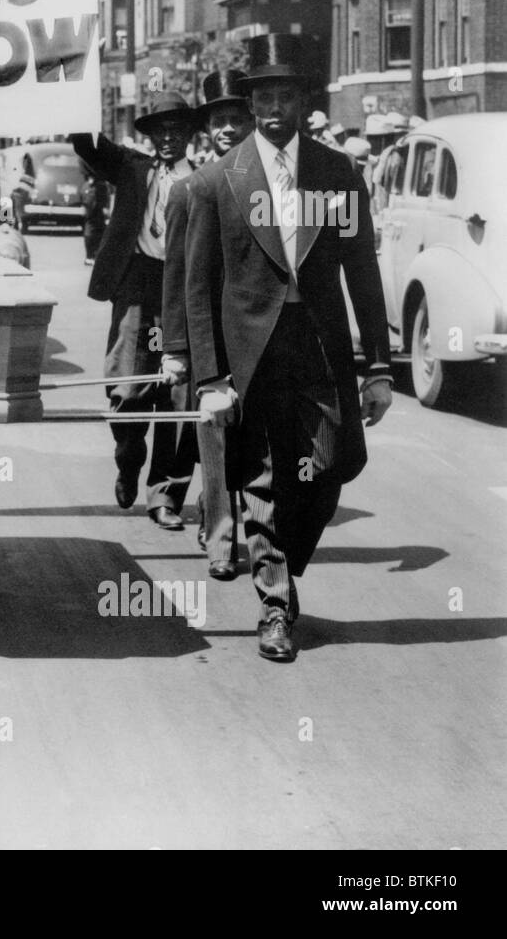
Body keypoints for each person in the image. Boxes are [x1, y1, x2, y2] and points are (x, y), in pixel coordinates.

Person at [184, 33, 392, 663]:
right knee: (267, 476)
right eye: (263, 97)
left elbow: (362, 270)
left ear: (304, 101)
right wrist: (209, 379)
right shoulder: (216, 182)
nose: (274, 108)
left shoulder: (338, 173)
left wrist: (379, 366)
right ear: (251, 106)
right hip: (253, 356)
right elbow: (198, 290)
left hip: (318, 346)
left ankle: (283, 566)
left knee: (332, 468)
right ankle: (275, 602)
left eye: (286, 95)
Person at [72, 91, 197, 528]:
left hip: (180, 293)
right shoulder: (132, 168)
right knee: (126, 388)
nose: (168, 137)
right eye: (160, 130)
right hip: (136, 287)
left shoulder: (203, 180)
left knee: (178, 397)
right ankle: (129, 459)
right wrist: (74, 95)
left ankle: (165, 495)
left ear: (188, 134)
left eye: (176, 129)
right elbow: (89, 146)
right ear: (150, 136)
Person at [161, 70, 254, 581]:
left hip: (260, 333)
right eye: (219, 120)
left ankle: (241, 519)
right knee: (215, 435)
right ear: (207, 129)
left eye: (237, 119)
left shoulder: (274, 185)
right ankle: (221, 538)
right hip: (209, 337)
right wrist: (176, 348)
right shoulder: (189, 190)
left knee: (251, 441)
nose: (228, 129)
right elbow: (176, 277)